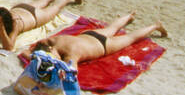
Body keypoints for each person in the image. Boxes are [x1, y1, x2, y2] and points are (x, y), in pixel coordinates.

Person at [33, 11, 168, 67]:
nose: (53, 60)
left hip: (102, 44)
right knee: (113, 28)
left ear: (50, 50)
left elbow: (70, 71)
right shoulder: (54, 41)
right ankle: (128, 16)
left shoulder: (70, 54)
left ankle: (155, 25)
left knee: (130, 37)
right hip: (91, 35)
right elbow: (37, 48)